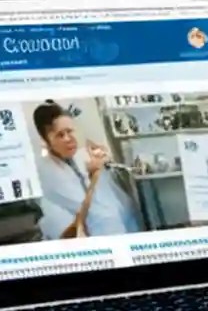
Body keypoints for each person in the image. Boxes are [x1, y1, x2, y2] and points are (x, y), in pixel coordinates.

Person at [32, 101, 145, 238]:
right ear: (46, 140)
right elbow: (86, 211)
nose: (68, 139)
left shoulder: (81, 156)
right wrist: (94, 177)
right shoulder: (47, 172)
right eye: (60, 135)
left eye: (70, 131)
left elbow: (116, 205)